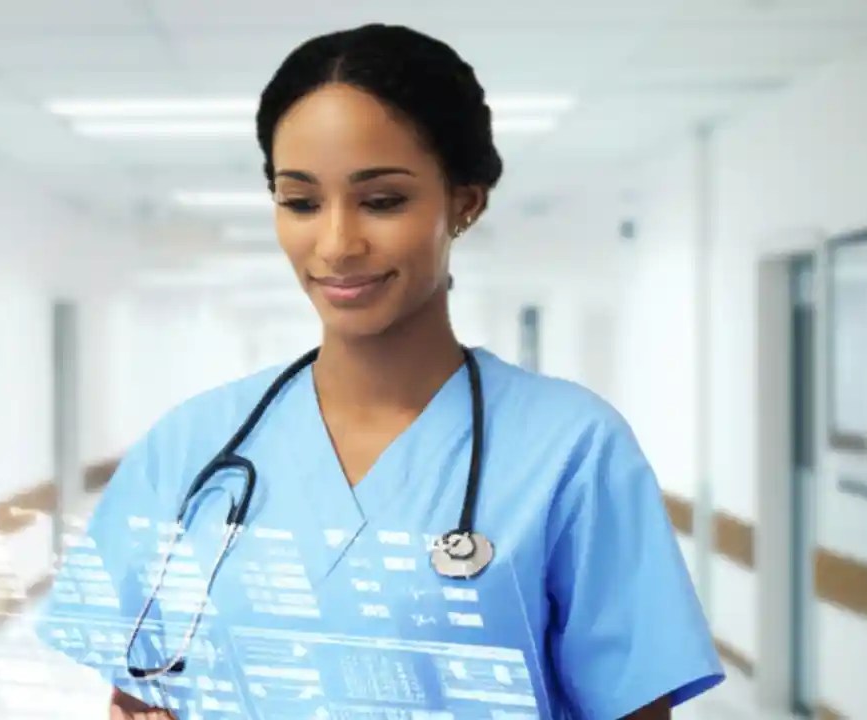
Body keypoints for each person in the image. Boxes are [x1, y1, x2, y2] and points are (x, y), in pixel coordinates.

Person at [42, 23, 724, 720]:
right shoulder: (192, 447)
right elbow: (135, 695)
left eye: (383, 200)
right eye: (301, 202)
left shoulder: (572, 450)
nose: (337, 244)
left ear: (465, 201)